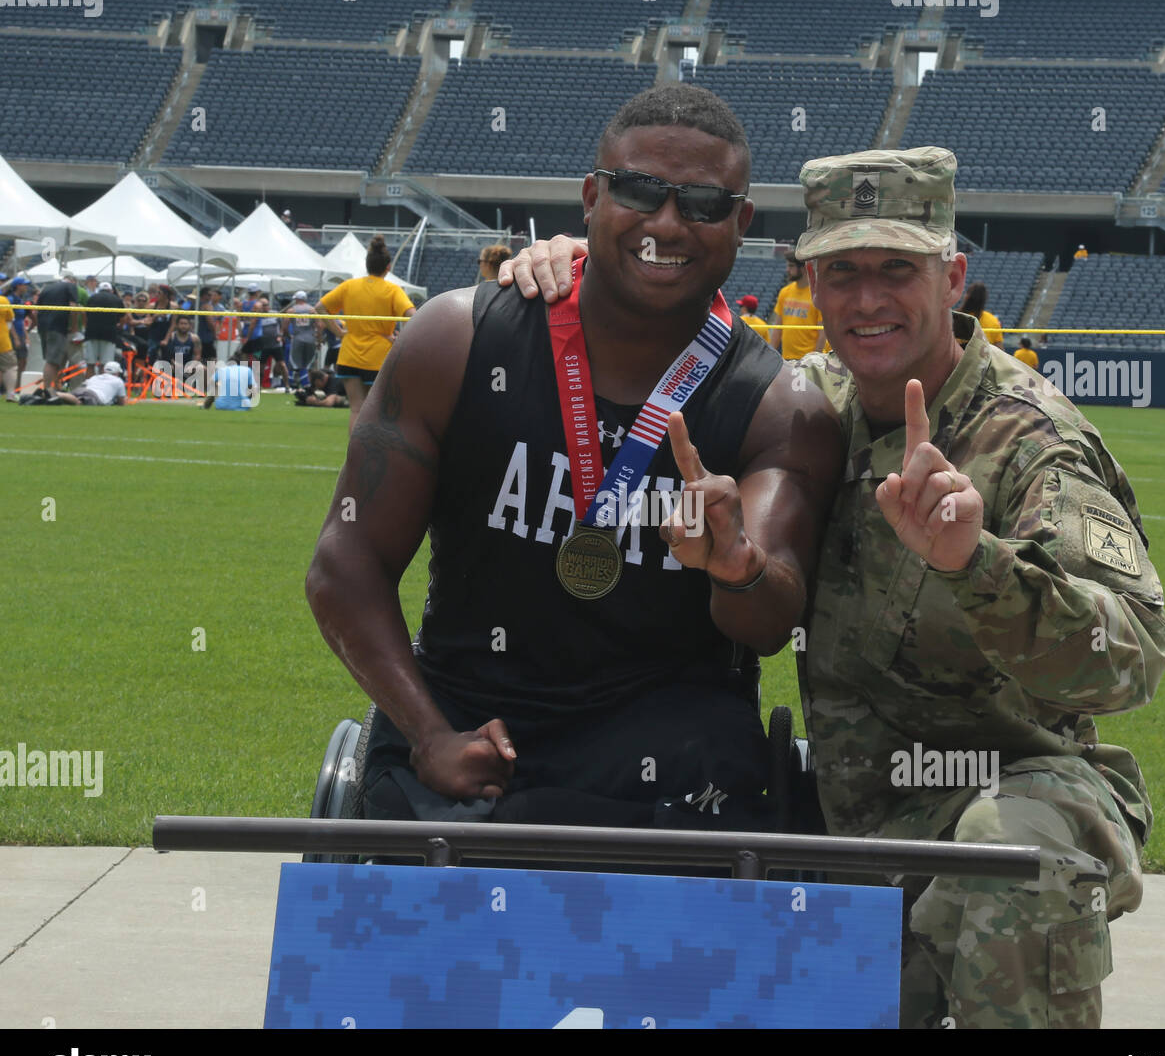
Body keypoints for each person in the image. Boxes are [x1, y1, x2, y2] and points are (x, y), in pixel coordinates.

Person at [501, 145, 1165, 1030]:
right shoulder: (809, 405)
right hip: (856, 832)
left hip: (1012, 793)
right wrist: (566, 268)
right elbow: (651, 356)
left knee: (1010, 859)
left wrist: (978, 567)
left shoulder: (1030, 438)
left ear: (954, 276)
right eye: (842, 272)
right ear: (809, 284)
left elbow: (1129, 661)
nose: (867, 299)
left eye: (898, 269)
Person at [305, 83, 841, 835]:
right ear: (591, 198)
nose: (667, 222)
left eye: (703, 203)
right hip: (467, 719)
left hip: (672, 749)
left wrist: (737, 567)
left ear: (742, 222)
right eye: (639, 191)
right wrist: (428, 733)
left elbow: (765, 622)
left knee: (719, 796)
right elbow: (344, 564)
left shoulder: (784, 406)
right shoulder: (453, 342)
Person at [314, 235, 416, 431]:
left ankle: (356, 457)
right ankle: (372, 455)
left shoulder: (349, 286)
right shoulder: (393, 290)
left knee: (356, 410)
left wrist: (339, 332)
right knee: (378, 411)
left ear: (367, 265)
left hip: (349, 356)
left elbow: (319, 308)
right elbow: (414, 315)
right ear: (388, 267)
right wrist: (398, 339)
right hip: (377, 358)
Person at [769, 250, 823, 359]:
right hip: (787, 359)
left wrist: (816, 360)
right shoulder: (784, 292)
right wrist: (770, 356)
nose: (787, 270)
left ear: (803, 268)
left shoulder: (818, 295)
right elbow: (777, 328)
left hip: (810, 361)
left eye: (791, 266)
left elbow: (823, 333)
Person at [36, 269, 80, 392]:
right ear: (72, 280)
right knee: (53, 361)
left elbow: (36, 309)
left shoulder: (47, 288)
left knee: (54, 359)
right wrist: (74, 326)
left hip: (43, 327)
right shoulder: (70, 286)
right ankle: (48, 390)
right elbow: (73, 307)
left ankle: (55, 388)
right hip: (57, 327)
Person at [82, 280, 125, 372]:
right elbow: (123, 317)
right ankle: (103, 385)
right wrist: (120, 327)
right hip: (109, 334)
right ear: (111, 290)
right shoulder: (117, 300)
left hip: (91, 333)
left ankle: (89, 385)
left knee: (90, 365)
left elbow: (84, 314)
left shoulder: (92, 298)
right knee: (105, 365)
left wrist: (86, 326)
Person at [49, 359, 126, 406]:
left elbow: (84, 384)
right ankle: (56, 394)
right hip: (96, 396)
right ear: (117, 372)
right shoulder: (118, 381)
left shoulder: (95, 377)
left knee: (71, 398)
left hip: (83, 390)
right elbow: (121, 402)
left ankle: (52, 395)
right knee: (80, 403)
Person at [284, 289, 320, 389]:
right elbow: (320, 325)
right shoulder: (312, 310)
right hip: (310, 338)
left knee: (295, 363)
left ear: (297, 299)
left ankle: (296, 384)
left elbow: (285, 325)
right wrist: (319, 339)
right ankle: (307, 384)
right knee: (309, 364)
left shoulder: (291, 310)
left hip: (297, 338)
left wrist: (287, 335)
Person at [958, 281, 1002, 349]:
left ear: (967, 296)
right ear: (984, 299)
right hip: (984, 357)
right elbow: (1000, 350)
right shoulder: (993, 320)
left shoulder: (954, 317)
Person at [0, 280, 16, 401]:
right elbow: (10, 320)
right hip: (2, 341)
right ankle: (10, 393)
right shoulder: (3, 300)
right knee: (10, 367)